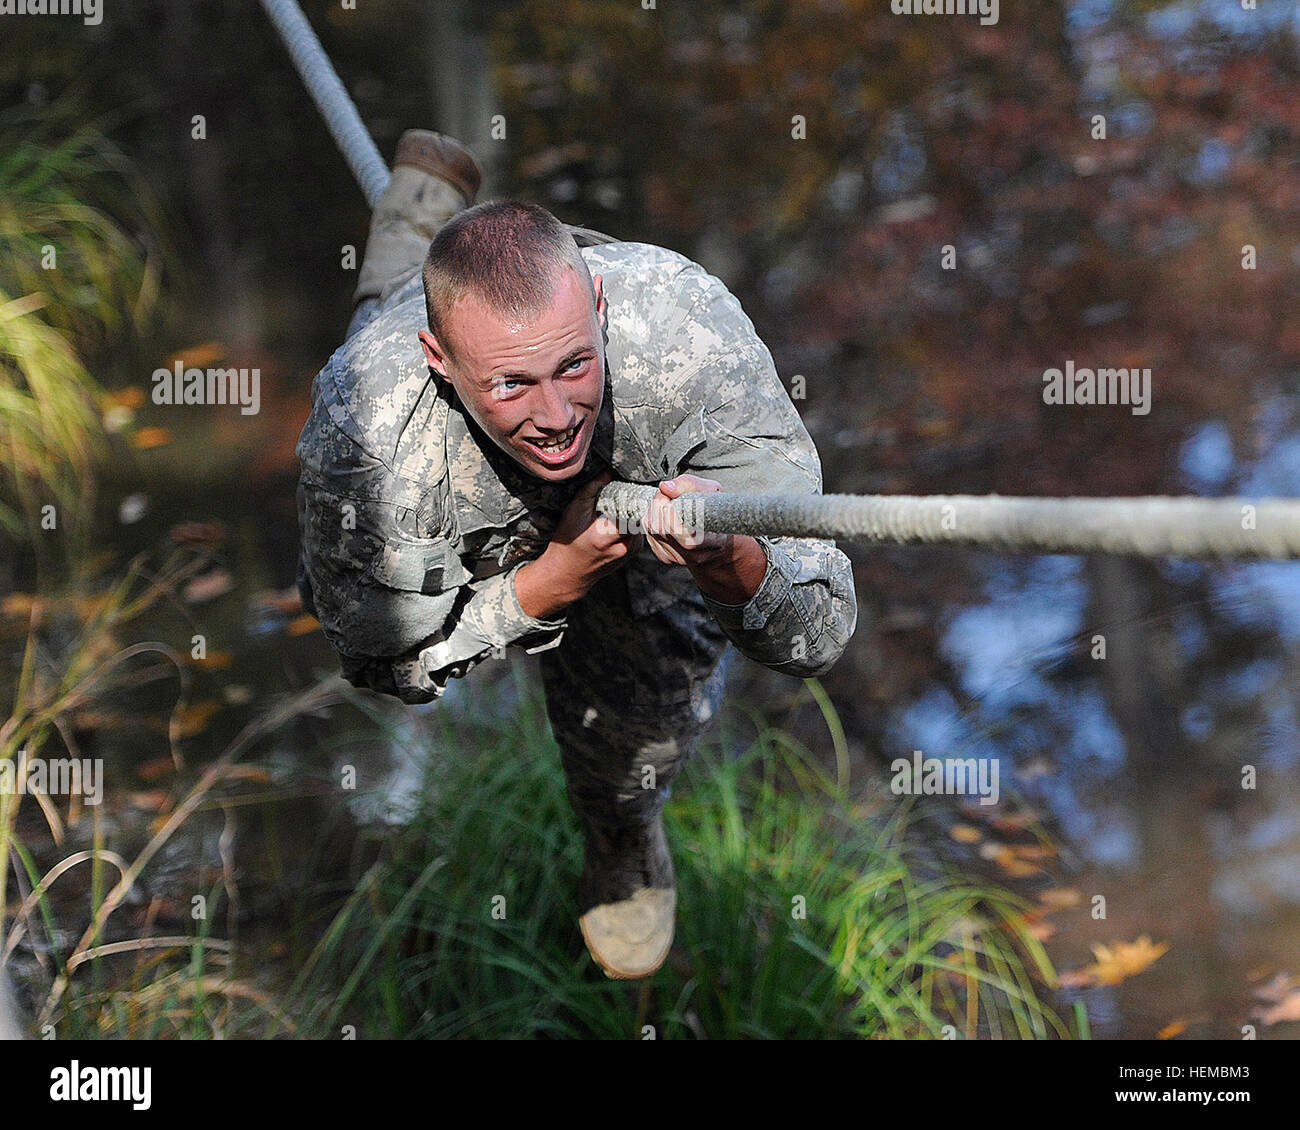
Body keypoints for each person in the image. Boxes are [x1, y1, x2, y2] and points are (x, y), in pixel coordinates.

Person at [295, 130, 858, 980]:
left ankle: (622, 835)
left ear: (596, 305)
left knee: (650, 694)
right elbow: (386, 667)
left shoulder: (690, 339)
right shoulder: (366, 439)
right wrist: (544, 584)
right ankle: (411, 226)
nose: (556, 416)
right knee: (373, 340)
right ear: (443, 361)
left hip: (646, 479)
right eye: (513, 384)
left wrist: (727, 557)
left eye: (572, 366)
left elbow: (818, 635)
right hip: (429, 463)